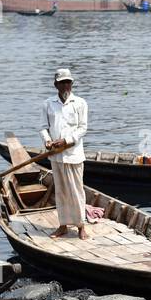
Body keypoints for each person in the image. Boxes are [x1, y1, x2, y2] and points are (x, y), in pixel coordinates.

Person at [39, 67, 88, 239]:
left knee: (76, 191)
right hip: (56, 156)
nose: (66, 86)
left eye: (68, 82)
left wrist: (65, 141)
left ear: (72, 84)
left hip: (74, 154)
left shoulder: (80, 103)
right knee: (60, 191)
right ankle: (63, 225)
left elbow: (83, 128)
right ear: (56, 85)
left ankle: (81, 226)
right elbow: (43, 128)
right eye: (62, 83)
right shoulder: (48, 104)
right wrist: (47, 141)